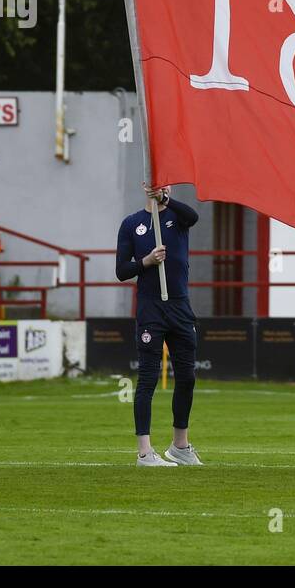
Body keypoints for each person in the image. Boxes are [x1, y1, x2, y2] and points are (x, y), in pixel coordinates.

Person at [115, 184, 202, 466]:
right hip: (151, 308)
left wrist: (166, 199)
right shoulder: (132, 223)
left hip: (180, 306)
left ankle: (180, 446)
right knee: (148, 380)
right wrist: (147, 261)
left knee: (187, 377)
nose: (162, 187)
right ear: (145, 186)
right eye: (156, 183)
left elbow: (193, 216)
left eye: (167, 184)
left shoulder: (178, 217)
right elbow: (122, 270)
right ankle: (144, 452)